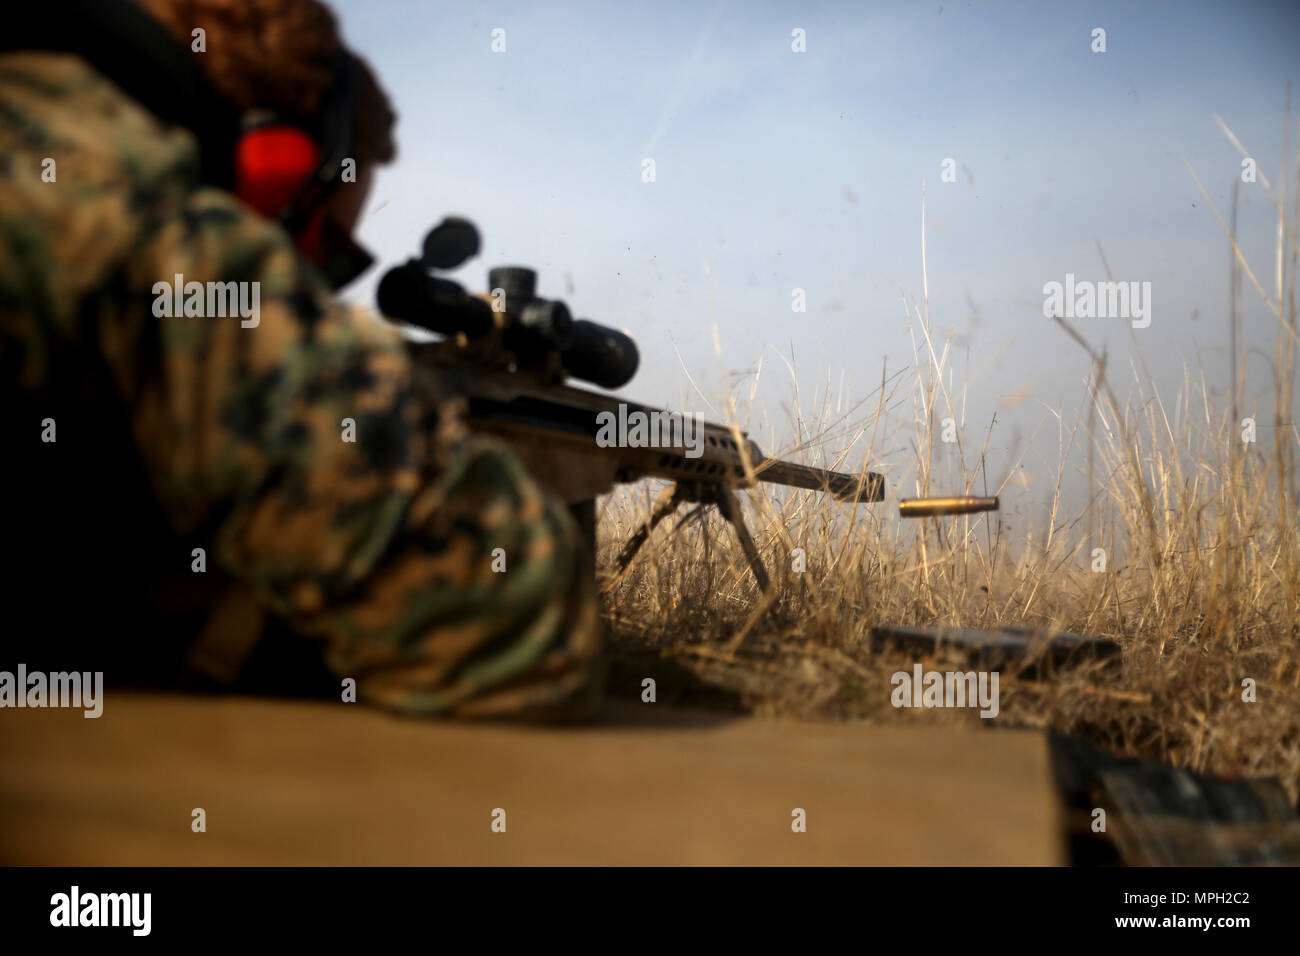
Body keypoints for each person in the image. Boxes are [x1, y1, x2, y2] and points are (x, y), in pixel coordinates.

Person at [0, 0, 603, 718]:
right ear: (270, 173)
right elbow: (527, 631)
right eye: (324, 255)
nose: (309, 290)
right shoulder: (116, 202)